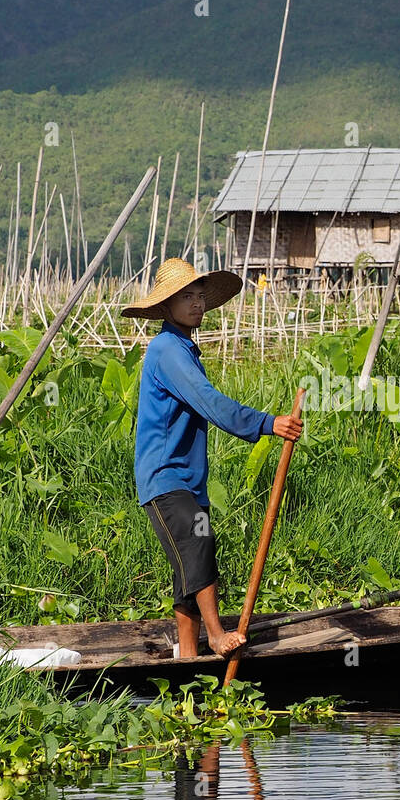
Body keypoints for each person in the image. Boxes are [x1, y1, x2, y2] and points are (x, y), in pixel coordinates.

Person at [121, 257, 302, 659]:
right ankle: (217, 637)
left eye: (200, 296)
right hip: (164, 478)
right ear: (166, 306)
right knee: (199, 542)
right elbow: (209, 403)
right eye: (187, 297)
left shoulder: (184, 349)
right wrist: (267, 423)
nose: (197, 303)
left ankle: (187, 657)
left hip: (189, 481)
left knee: (189, 564)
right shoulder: (167, 349)